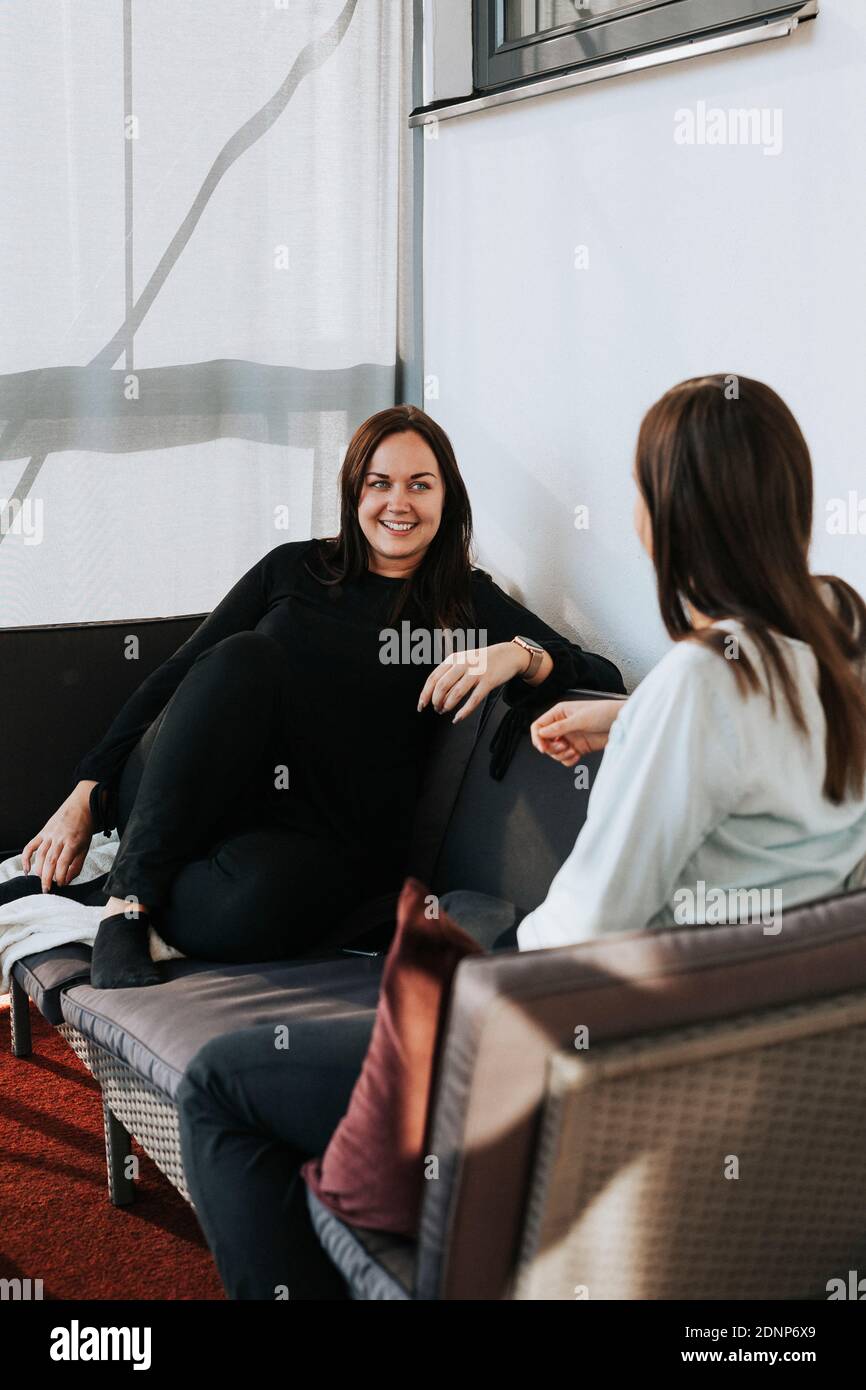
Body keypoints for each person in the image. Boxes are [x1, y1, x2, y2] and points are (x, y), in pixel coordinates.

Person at [8, 404, 623, 987]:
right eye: (380, 483)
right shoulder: (292, 569)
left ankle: (126, 878)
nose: (398, 503)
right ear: (355, 492)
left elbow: (601, 675)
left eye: (420, 485)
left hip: (313, 837)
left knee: (256, 906)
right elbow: (175, 678)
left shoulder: (465, 603)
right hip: (200, 784)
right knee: (246, 656)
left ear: (447, 497)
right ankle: (126, 903)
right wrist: (86, 794)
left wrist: (518, 652)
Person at [518, 375, 866, 950]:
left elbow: (586, 930)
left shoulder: (703, 682)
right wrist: (634, 719)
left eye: (639, 490)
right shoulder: (844, 627)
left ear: (675, 514)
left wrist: (476, 978)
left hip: (672, 1018)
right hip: (804, 1009)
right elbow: (776, 732)